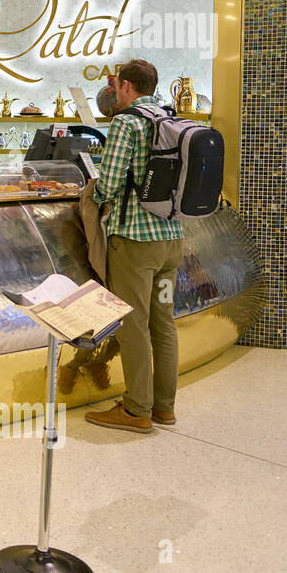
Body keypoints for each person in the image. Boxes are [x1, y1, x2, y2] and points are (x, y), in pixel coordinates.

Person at [85, 59, 185, 434]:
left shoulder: (127, 122)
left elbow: (109, 184)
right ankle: (164, 408)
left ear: (125, 86)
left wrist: (95, 193)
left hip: (135, 243)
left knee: (133, 325)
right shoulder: (170, 119)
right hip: (171, 242)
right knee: (163, 324)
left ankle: (135, 409)